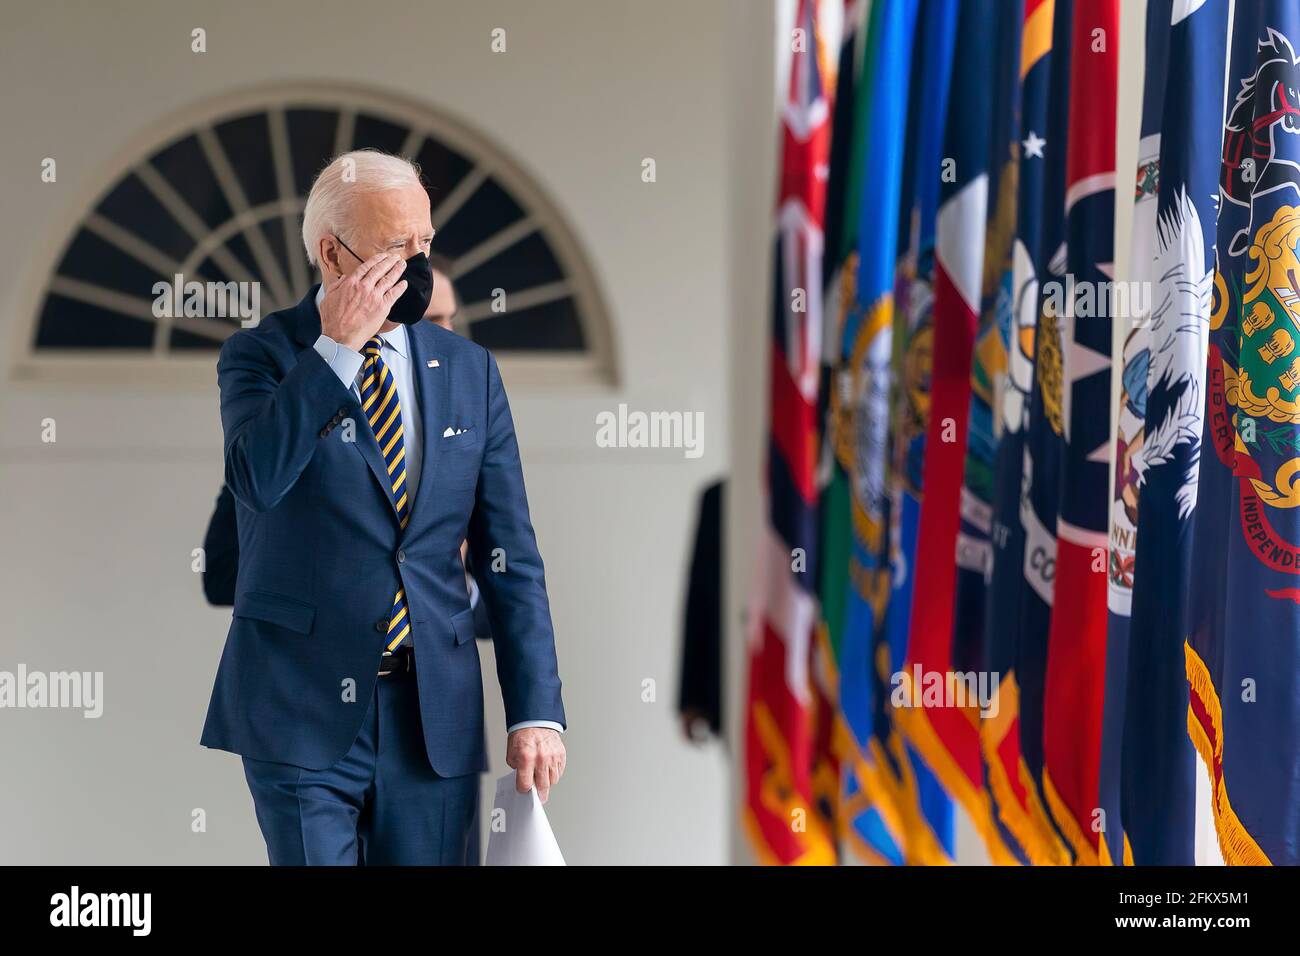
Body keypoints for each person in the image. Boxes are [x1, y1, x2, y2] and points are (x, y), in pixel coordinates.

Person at [200, 148, 566, 865]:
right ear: (332, 255)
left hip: (434, 715)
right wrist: (336, 348)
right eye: (397, 247)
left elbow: (510, 554)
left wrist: (536, 710)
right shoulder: (261, 356)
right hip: (300, 713)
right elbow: (257, 479)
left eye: (424, 242)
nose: (417, 261)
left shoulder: (469, 371)